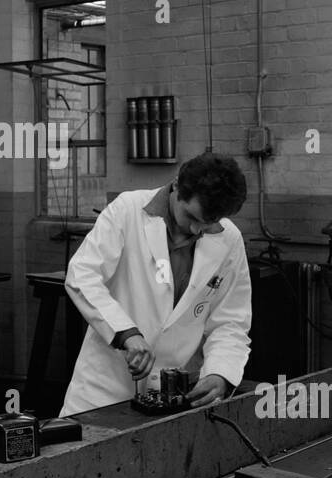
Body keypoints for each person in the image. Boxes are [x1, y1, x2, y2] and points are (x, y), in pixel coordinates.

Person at [59, 152, 253, 417]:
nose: (197, 230)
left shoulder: (229, 240)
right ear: (176, 186)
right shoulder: (128, 210)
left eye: (208, 224)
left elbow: (231, 322)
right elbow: (82, 275)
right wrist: (126, 333)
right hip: (104, 389)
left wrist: (221, 372)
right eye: (191, 217)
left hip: (176, 394)